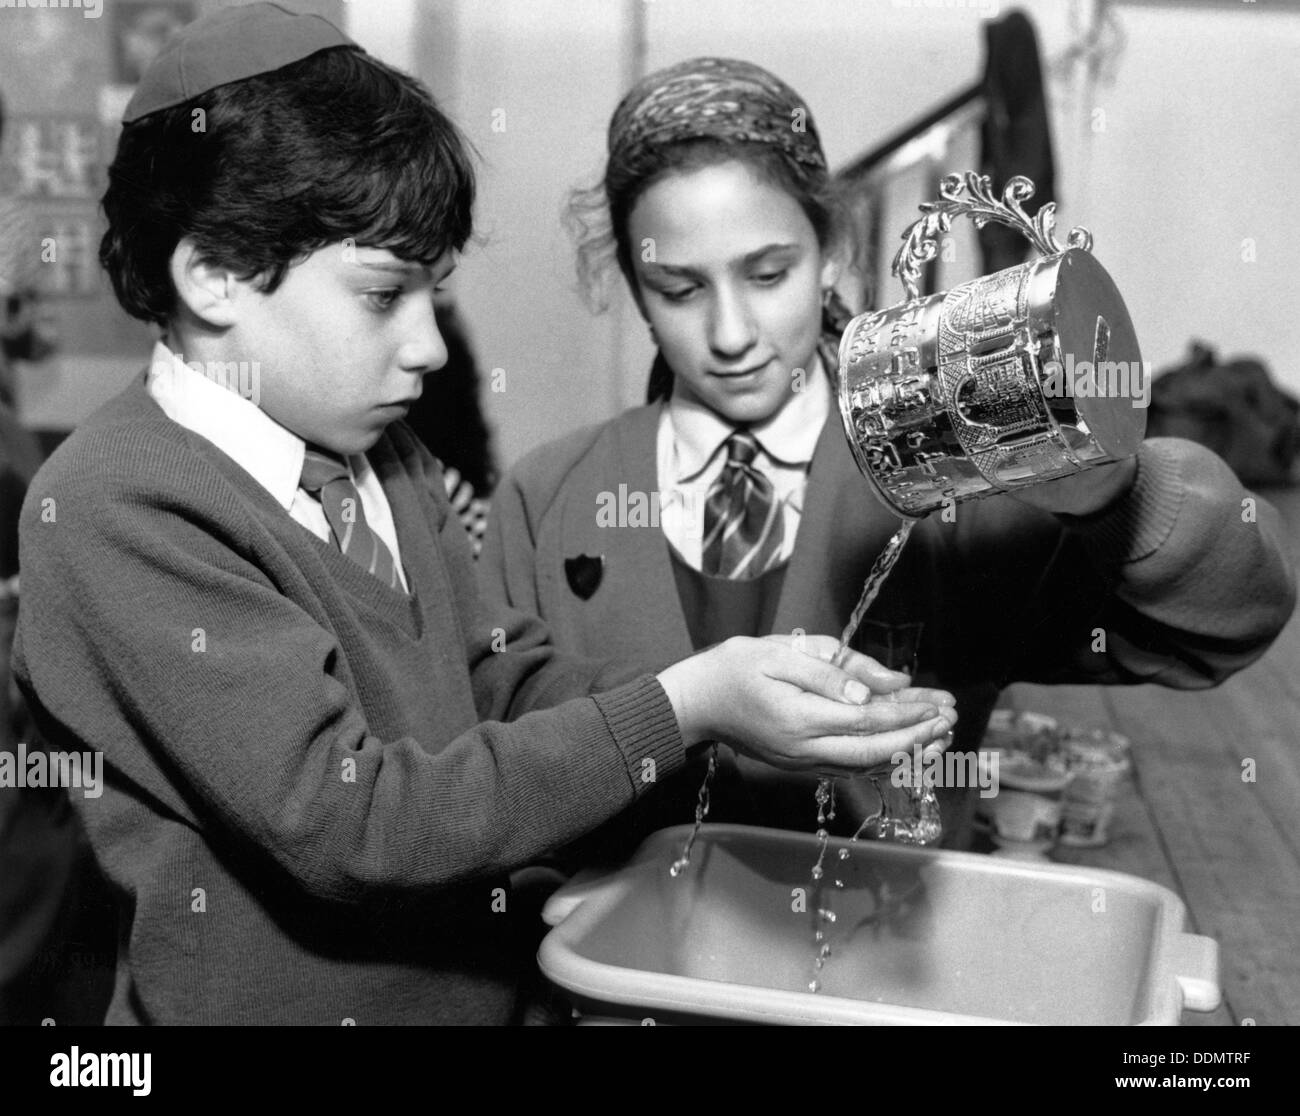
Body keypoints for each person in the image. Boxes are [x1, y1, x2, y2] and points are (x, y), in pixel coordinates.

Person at [9, 6, 958, 1026]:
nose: (428, 348)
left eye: (435, 294)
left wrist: (744, 698)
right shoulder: (120, 506)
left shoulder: (382, 452)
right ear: (215, 275)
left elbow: (497, 675)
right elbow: (355, 821)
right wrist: (685, 705)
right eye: (384, 296)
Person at [480, 56, 1296, 851]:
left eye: (768, 274)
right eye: (681, 289)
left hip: (881, 964)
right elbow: (500, 751)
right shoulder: (547, 499)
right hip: (620, 970)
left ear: (833, 248)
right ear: (631, 282)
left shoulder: (957, 470)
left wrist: (1123, 498)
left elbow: (1227, 622)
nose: (729, 335)